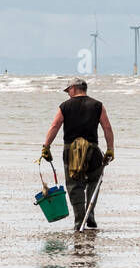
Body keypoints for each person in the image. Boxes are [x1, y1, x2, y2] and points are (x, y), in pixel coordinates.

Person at [41, 78, 114, 231]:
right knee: (94, 181)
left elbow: (55, 126)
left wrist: (46, 147)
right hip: (92, 150)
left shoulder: (64, 106)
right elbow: (107, 127)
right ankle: (90, 213)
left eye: (68, 91)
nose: (68, 94)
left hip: (70, 151)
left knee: (74, 185)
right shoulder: (97, 105)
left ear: (74, 88)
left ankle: (79, 220)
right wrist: (110, 149)